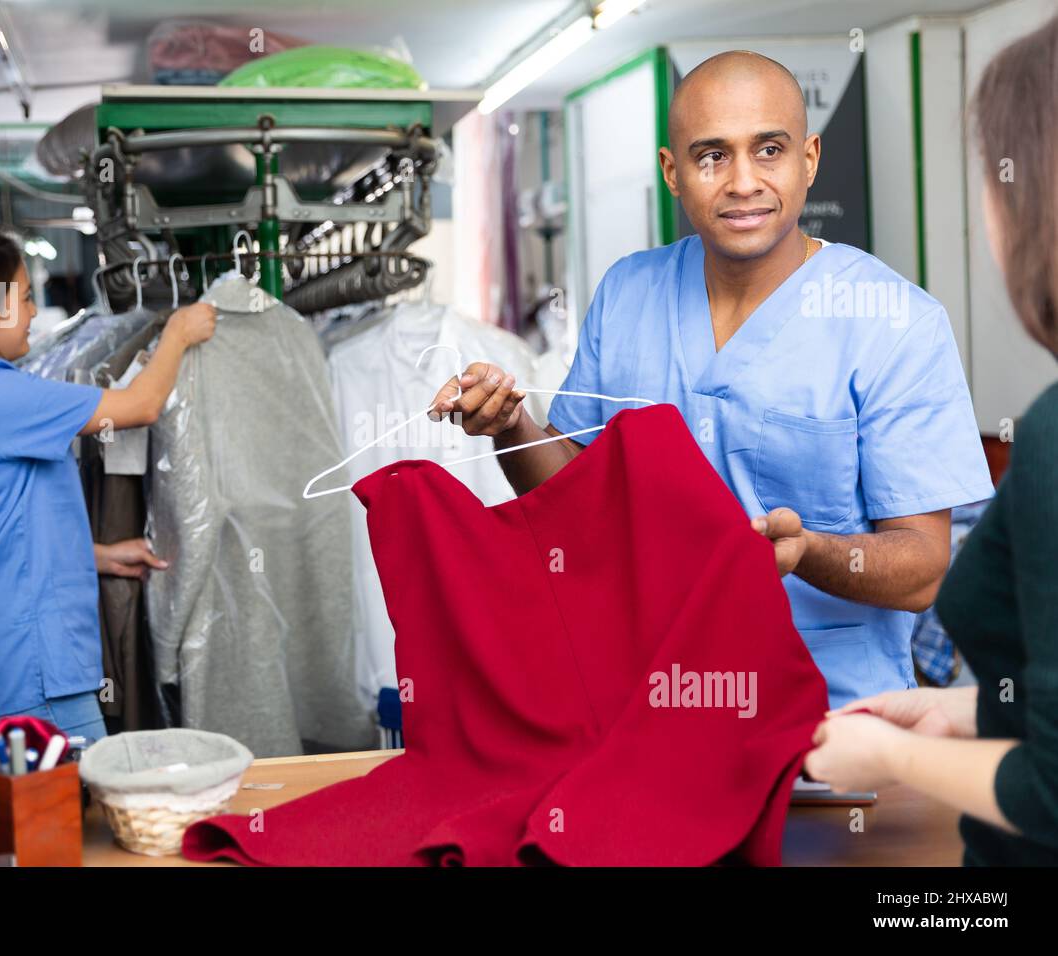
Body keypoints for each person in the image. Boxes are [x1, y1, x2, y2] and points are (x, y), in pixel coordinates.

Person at [430, 51, 993, 709]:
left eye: (770, 149)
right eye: (712, 156)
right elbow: (569, 505)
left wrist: (806, 551)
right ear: (673, 171)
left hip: (834, 722)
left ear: (808, 159)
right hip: (646, 704)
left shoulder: (895, 322)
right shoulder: (629, 293)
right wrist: (512, 428)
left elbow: (922, 572)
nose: (743, 181)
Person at [808, 15, 1058, 866]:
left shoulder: (1046, 429)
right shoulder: (632, 299)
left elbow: (1054, 793)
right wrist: (961, 710)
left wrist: (889, 754)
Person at [0, 231, 215, 739]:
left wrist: (98, 555)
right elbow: (140, 406)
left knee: (23, 808)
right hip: (38, 665)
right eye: (22, 297)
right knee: (72, 810)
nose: (30, 312)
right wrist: (176, 332)